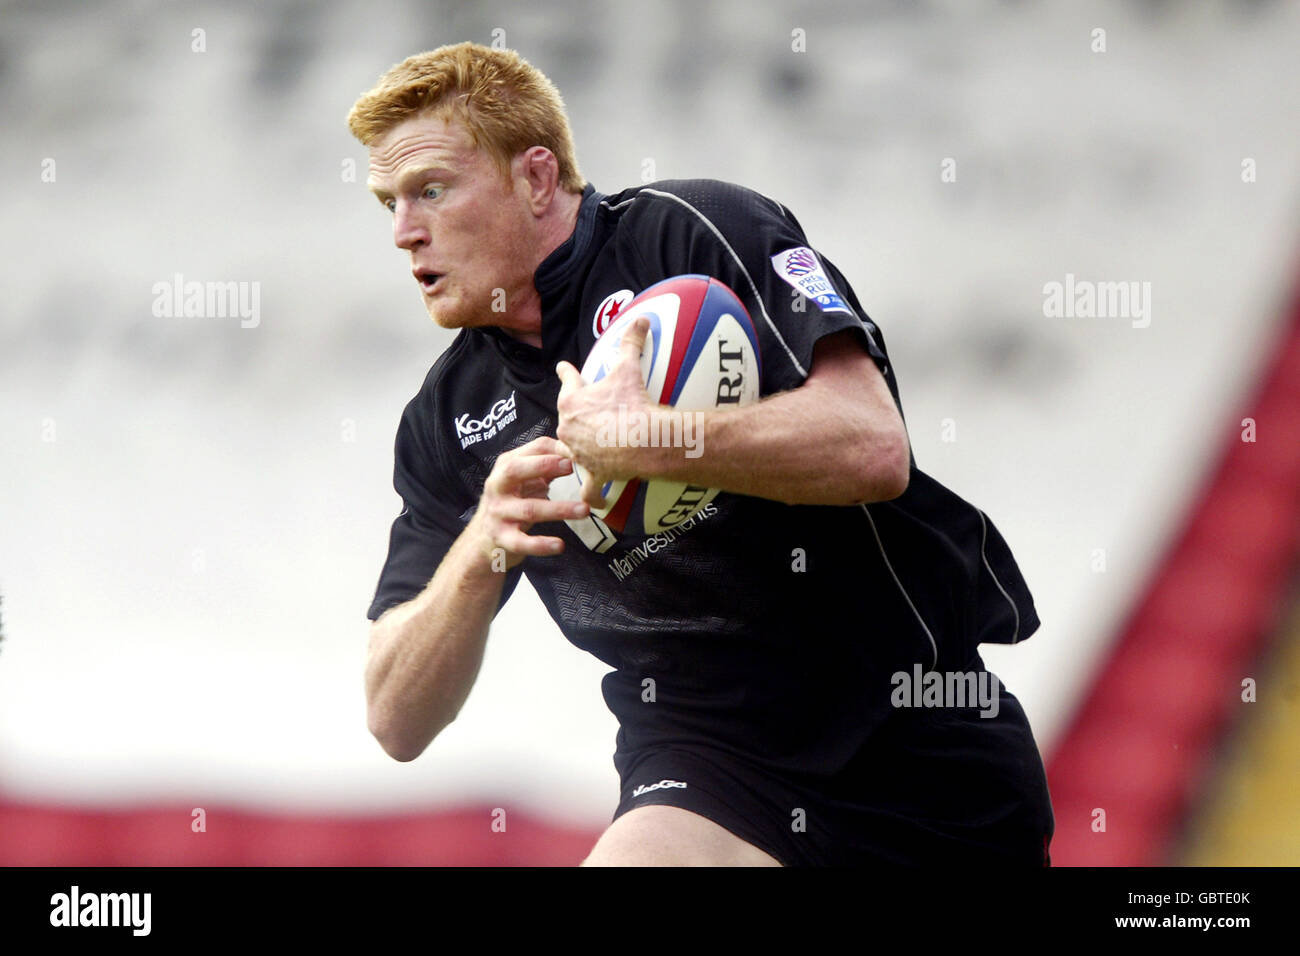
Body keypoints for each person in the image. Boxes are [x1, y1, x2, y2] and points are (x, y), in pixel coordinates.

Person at [349, 41, 1054, 866]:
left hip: (919, 742)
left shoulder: (692, 233)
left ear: (535, 178)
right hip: (704, 763)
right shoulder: (449, 418)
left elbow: (871, 444)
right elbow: (395, 720)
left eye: (430, 190)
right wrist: (481, 547)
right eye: (388, 202)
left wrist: (653, 441)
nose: (403, 232)